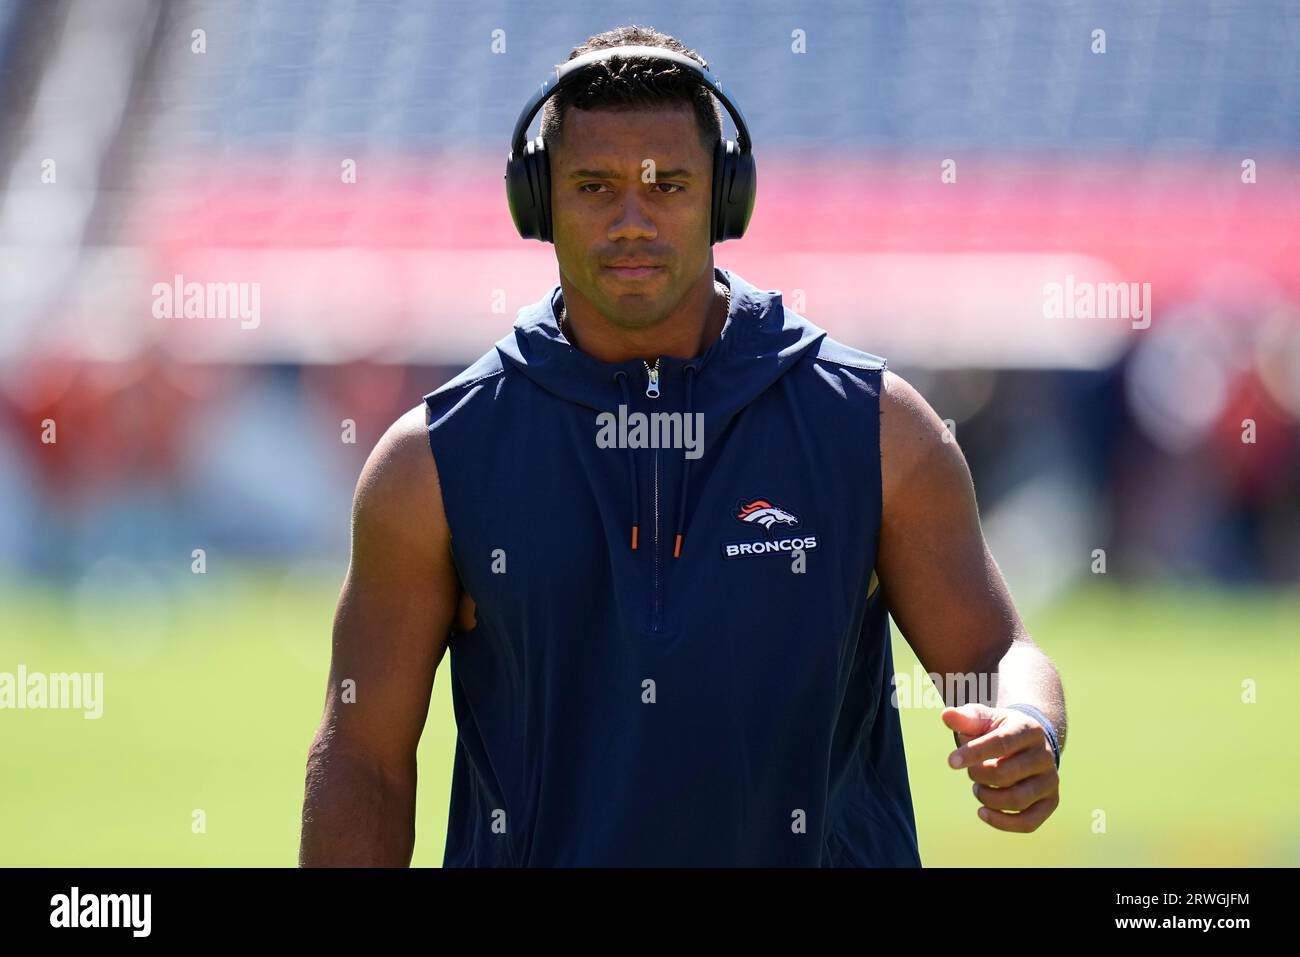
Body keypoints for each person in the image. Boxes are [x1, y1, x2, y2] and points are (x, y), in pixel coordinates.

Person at [299, 25, 1065, 867]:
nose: (633, 219)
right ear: (538, 201)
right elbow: (364, 756)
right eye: (594, 186)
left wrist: (1027, 725)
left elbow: (994, 654)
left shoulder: (875, 428)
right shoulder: (435, 461)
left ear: (724, 196)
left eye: (668, 183)